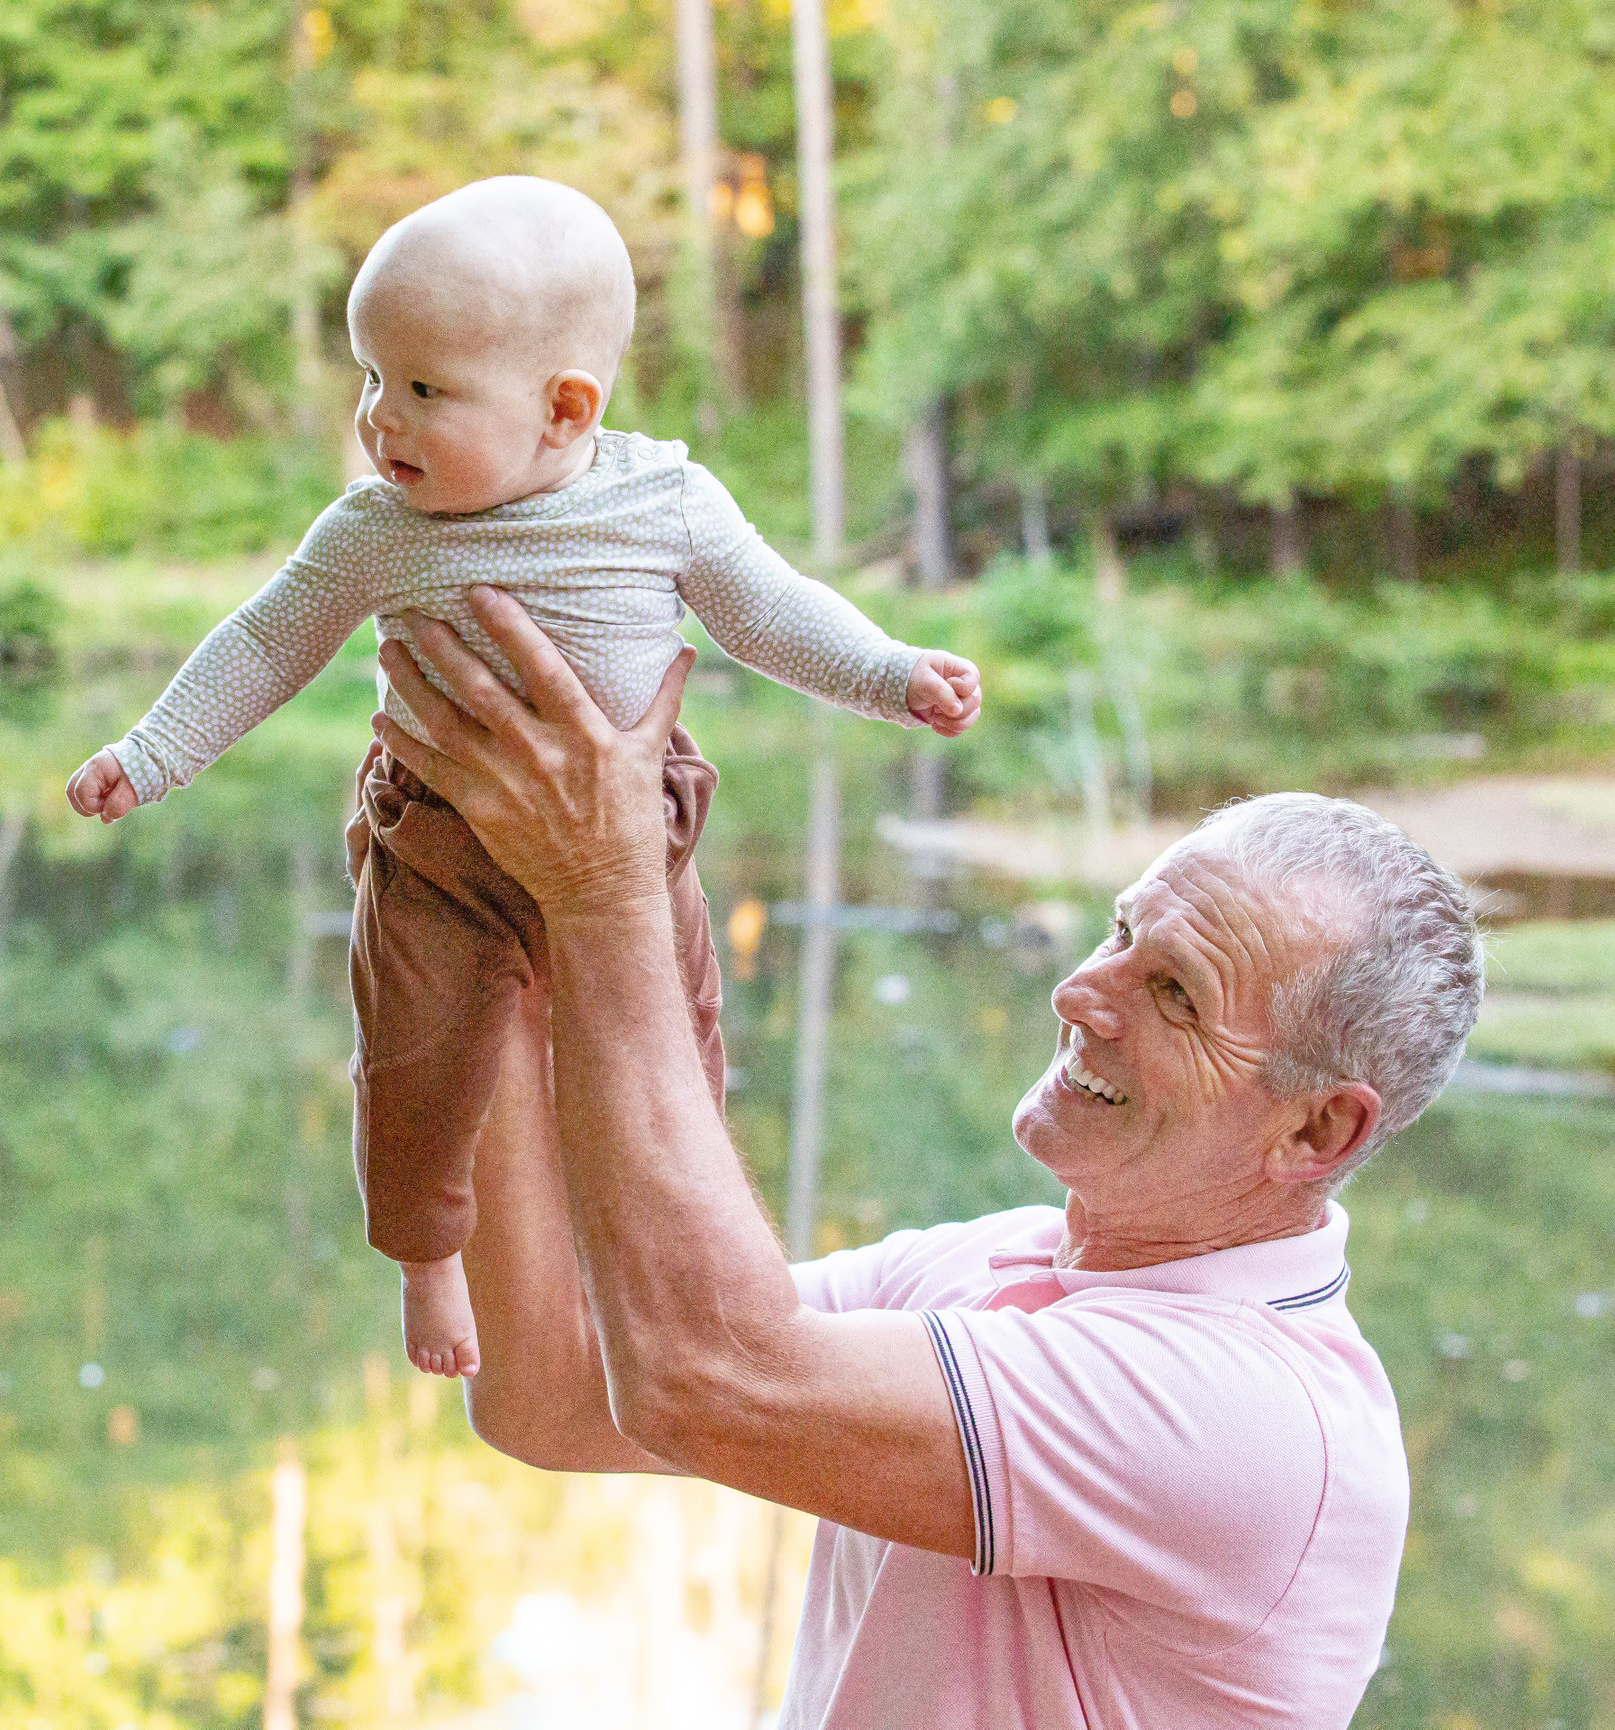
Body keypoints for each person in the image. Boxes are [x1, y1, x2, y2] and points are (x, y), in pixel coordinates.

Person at [370, 586, 1485, 1729]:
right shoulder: (999, 1266)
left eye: (1174, 994)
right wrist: (481, 927)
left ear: (1316, 1129)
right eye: (1118, 932)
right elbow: (560, 1392)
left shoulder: (1258, 1417)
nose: (1078, 992)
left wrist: (600, 883)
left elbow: (703, 1380)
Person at [66, 176, 982, 1379]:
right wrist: (154, 752)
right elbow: (265, 638)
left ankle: (649, 1256)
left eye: (423, 390)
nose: (378, 419)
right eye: (370, 378)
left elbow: (769, 610)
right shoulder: (375, 530)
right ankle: (423, 1249)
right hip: (437, 846)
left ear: (564, 408)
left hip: (631, 842)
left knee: (679, 1048)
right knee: (413, 1055)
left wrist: (887, 672)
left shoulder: (666, 502)